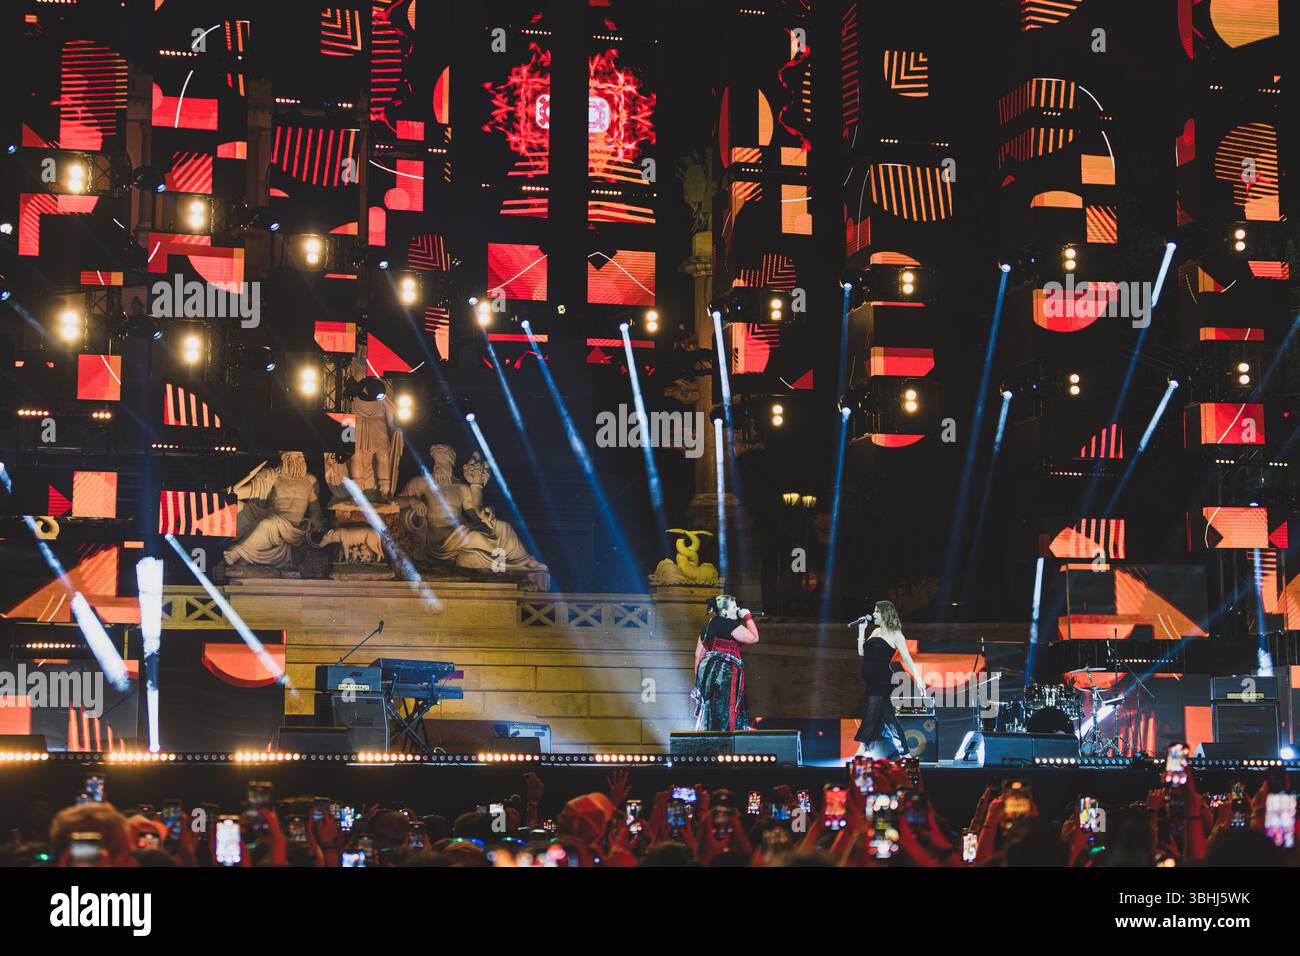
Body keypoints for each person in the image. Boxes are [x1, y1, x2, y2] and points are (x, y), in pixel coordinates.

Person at [854, 600, 928, 758]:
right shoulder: (874, 633)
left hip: (882, 680)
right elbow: (862, 653)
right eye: (874, 611)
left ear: (885, 614)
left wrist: (919, 679)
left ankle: (862, 747)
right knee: (889, 718)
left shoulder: (896, 635)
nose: (873, 614)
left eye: (877, 612)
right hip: (871, 681)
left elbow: (907, 659)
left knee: (872, 710)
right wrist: (861, 632)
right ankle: (906, 753)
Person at [692, 594, 759, 732]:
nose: (737, 609)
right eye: (734, 607)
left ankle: (709, 736)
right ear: (725, 612)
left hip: (707, 671)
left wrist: (699, 683)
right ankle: (726, 737)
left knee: (710, 707)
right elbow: (754, 638)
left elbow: (698, 655)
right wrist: (747, 617)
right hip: (725, 669)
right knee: (727, 706)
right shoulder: (728, 624)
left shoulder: (707, 627)